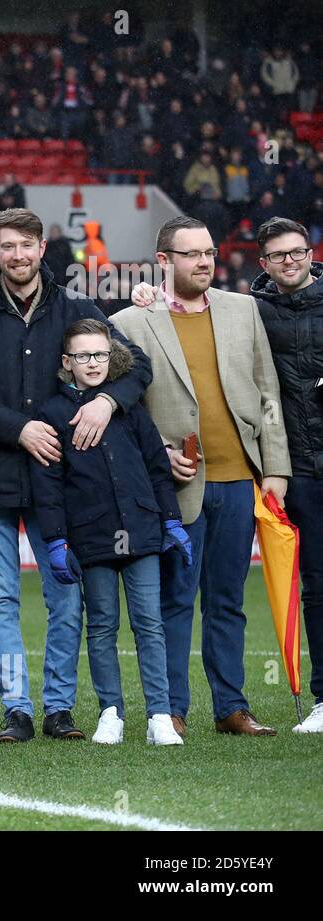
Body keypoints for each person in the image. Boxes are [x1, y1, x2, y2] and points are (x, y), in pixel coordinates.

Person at [0, 208, 152, 743]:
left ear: (41, 250)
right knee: (0, 596)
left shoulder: (76, 308)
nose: (17, 255)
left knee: (65, 594)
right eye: (7, 245)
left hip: (59, 480)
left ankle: (58, 707)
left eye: (27, 245)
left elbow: (137, 367)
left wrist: (105, 401)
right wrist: (21, 430)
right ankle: (17, 708)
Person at [113, 216, 289, 737]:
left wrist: (276, 468)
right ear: (164, 261)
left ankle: (232, 708)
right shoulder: (131, 322)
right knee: (174, 600)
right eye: (191, 254)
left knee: (228, 600)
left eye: (209, 252)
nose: (204, 262)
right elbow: (123, 408)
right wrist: (158, 453)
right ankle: (171, 709)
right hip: (174, 486)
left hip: (240, 481)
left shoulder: (244, 309)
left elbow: (268, 393)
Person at [29, 319, 189, 746]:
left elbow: (158, 468)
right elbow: (48, 486)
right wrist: (57, 541)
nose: (93, 362)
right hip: (91, 537)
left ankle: (159, 715)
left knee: (149, 623)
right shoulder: (51, 414)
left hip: (141, 532)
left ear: (110, 356)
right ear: (67, 363)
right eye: (83, 355)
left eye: (100, 354)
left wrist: (170, 520)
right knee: (101, 626)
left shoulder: (129, 409)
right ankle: (110, 713)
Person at [249, 218, 323, 733]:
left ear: (310, 253)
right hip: (299, 470)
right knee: (317, 585)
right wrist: (147, 293)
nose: (290, 261)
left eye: (297, 252)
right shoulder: (251, 313)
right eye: (279, 255)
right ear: (264, 264)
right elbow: (187, 309)